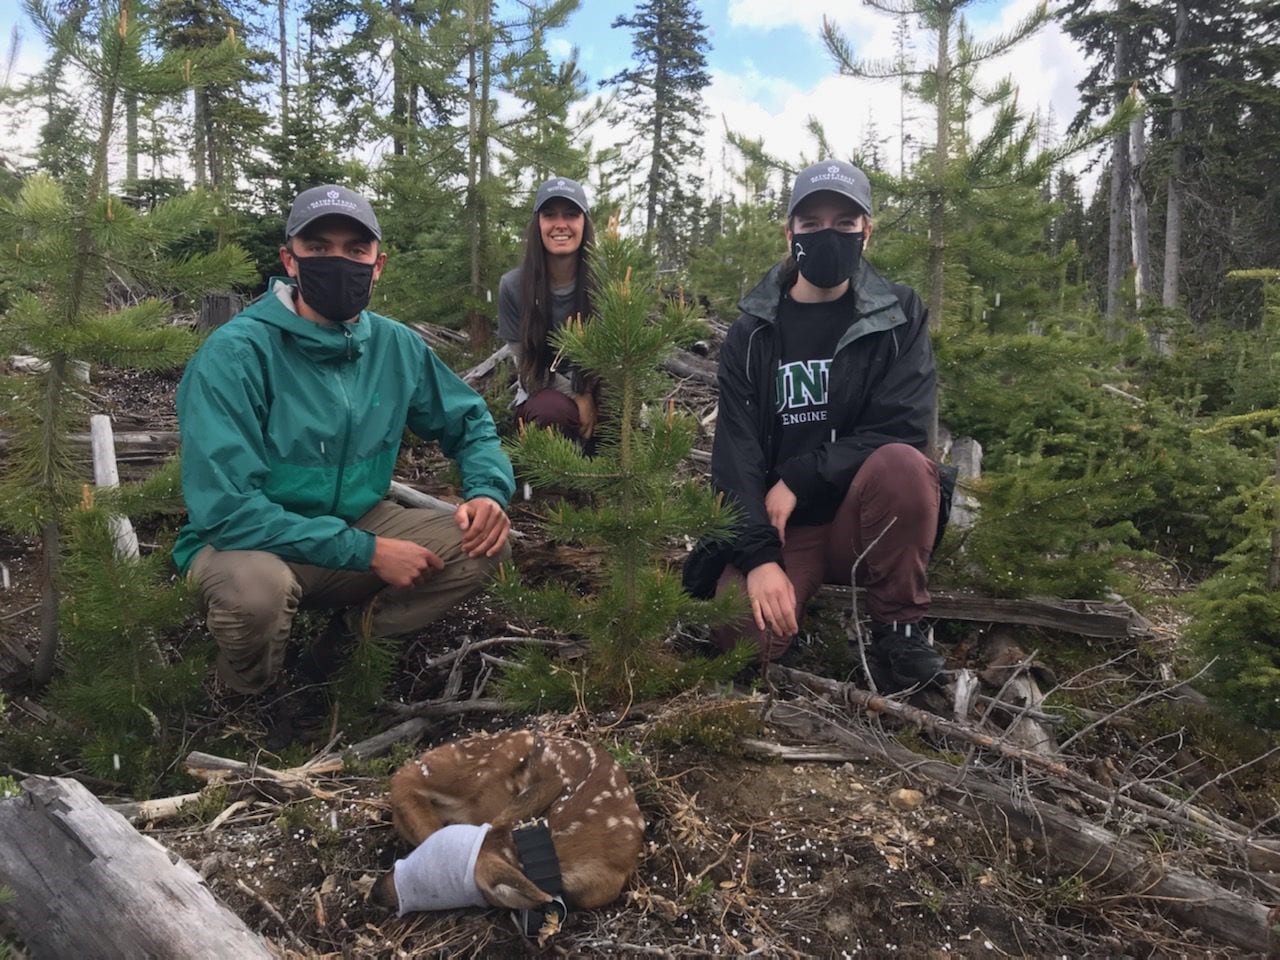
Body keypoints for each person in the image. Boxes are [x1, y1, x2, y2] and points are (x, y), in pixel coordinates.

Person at [175, 184, 515, 720]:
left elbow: (470, 419)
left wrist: (488, 490)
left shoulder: (395, 346)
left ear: (378, 265)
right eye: (319, 247)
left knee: (483, 544)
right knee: (256, 593)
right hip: (246, 542)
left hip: (356, 519)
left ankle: (332, 655)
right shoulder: (236, 354)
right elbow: (226, 510)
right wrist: (368, 553)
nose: (339, 261)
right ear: (290, 259)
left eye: (355, 250)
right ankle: (245, 700)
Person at [683, 159, 954, 692]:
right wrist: (759, 558)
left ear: (866, 232)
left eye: (845, 224)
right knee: (742, 638)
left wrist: (799, 478)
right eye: (811, 224)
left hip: (866, 515)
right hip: (786, 530)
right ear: (790, 233)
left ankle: (898, 626)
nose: (828, 235)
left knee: (903, 464)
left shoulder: (898, 312)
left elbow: (903, 424)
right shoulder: (754, 332)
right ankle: (792, 611)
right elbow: (735, 455)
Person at [497, 176, 598, 445]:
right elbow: (528, 370)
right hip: (542, 390)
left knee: (621, 406)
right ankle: (552, 480)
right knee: (551, 412)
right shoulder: (514, 287)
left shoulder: (606, 285)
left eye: (571, 214)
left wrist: (590, 394)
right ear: (538, 224)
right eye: (550, 214)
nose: (560, 224)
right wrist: (578, 397)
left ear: (584, 223)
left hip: (596, 386)